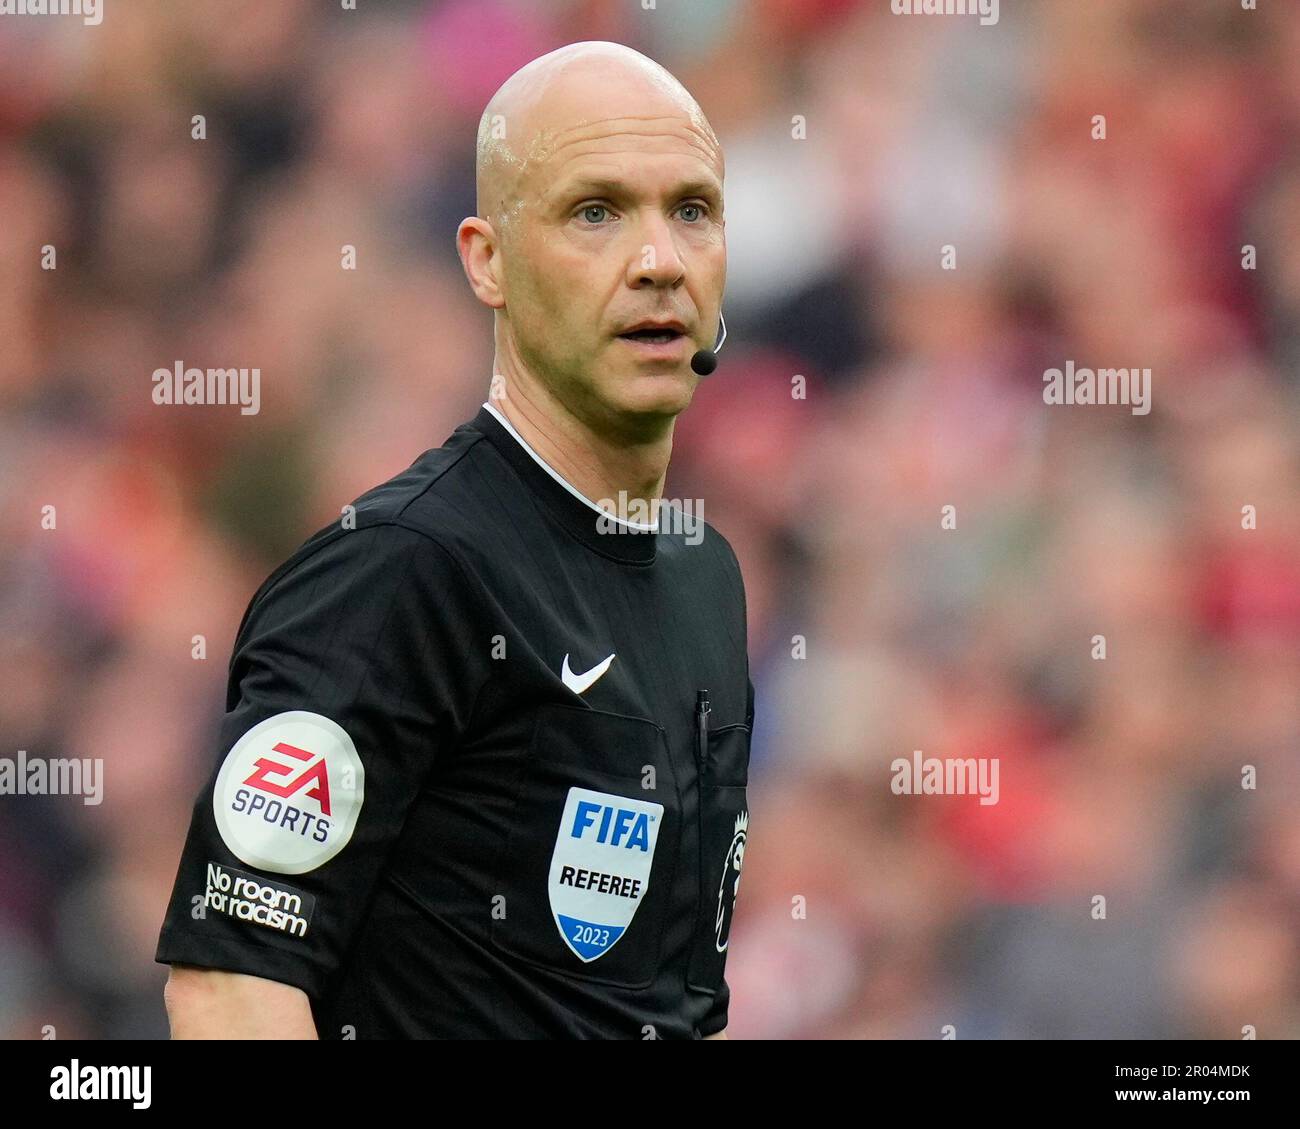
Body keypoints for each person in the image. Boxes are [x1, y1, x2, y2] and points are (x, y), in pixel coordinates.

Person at [155, 40, 752, 1039]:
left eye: (691, 209)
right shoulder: (399, 572)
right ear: (488, 260)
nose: (658, 260)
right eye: (595, 211)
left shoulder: (707, 581)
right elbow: (230, 982)